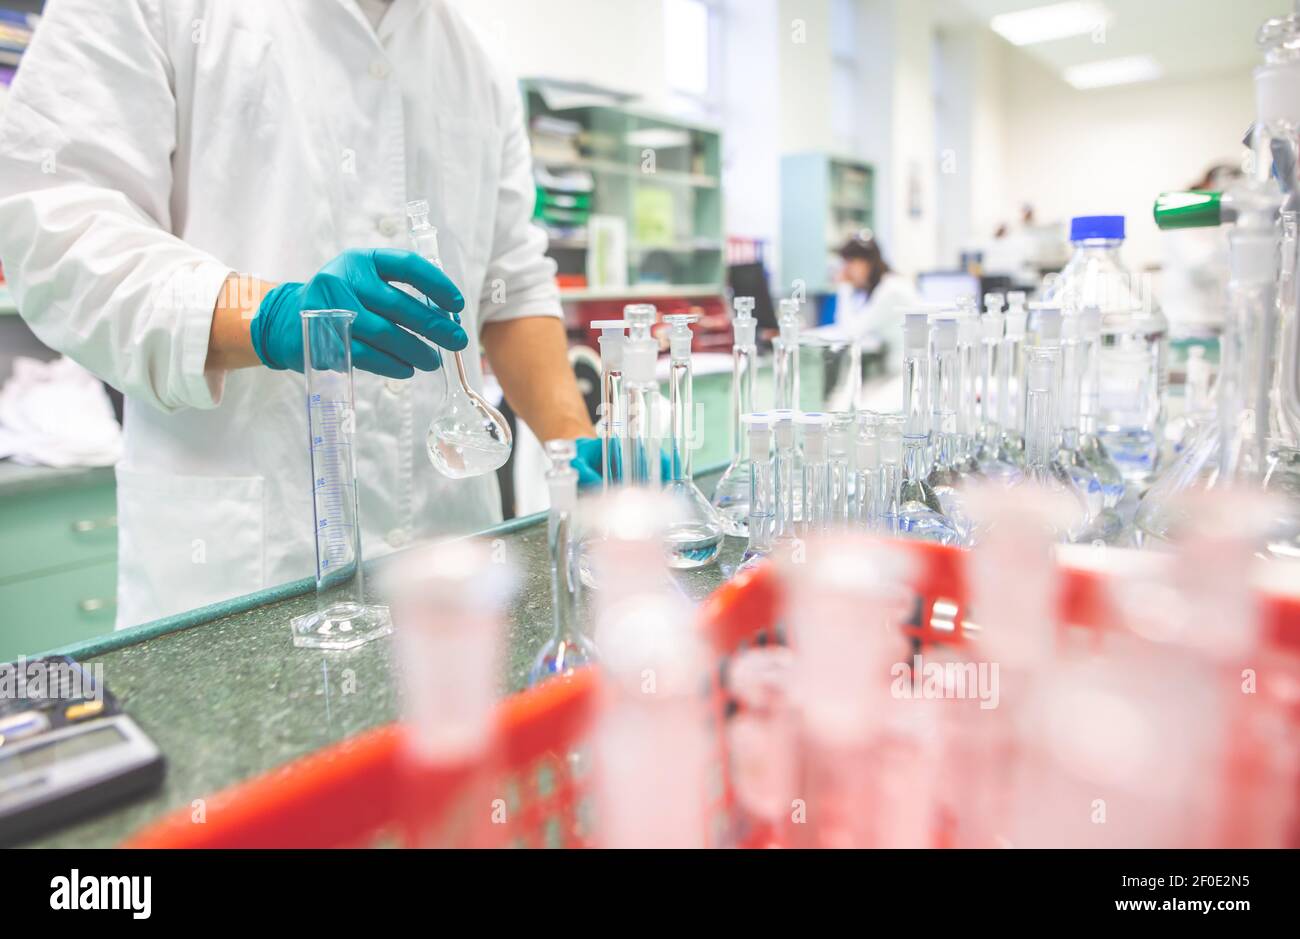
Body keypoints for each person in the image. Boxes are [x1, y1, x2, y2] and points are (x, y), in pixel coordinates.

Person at [0, 0, 605, 629]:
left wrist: (577, 442)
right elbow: (55, 228)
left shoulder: (476, 62)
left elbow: (511, 283)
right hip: (245, 576)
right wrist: (267, 317)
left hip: (450, 562)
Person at [832, 232, 918, 372]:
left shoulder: (891, 290)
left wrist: (844, 287)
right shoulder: (872, 289)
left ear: (868, 263)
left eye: (851, 262)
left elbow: (851, 333)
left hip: (903, 372)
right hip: (896, 368)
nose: (846, 269)